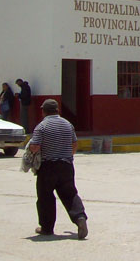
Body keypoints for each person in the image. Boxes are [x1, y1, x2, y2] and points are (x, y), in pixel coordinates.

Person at [28, 99, 88, 239]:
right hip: (67, 165)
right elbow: (74, 144)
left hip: (48, 166)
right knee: (70, 194)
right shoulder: (68, 125)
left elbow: (35, 146)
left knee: (45, 196)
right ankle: (80, 218)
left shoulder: (42, 126)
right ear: (57, 110)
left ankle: (47, 228)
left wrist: (31, 150)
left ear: (43, 111)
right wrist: (67, 156)